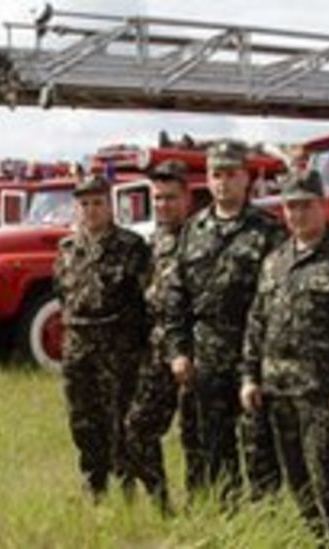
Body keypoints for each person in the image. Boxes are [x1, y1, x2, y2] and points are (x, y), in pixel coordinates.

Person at [240, 170, 329, 548]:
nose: (297, 215)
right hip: (279, 391)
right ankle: (316, 538)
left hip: (324, 394)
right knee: (297, 477)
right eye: (290, 207)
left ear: (322, 205)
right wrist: (249, 376)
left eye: (305, 206)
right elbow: (257, 321)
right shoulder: (275, 261)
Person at [162, 140, 285, 502]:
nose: (223, 182)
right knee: (213, 444)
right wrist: (178, 351)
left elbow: (278, 300)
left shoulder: (269, 230)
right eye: (217, 174)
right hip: (206, 355)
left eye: (232, 174)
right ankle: (224, 518)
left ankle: (267, 521)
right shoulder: (192, 229)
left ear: (246, 178)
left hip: (254, 355)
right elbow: (176, 297)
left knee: (259, 445)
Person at [53, 173, 151, 499]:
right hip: (78, 350)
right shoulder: (67, 249)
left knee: (121, 419)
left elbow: (145, 299)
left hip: (118, 350)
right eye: (84, 204)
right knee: (82, 419)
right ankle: (93, 486)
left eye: (97, 203)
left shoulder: (131, 247)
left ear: (111, 206)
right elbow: (62, 296)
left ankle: (126, 486)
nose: (91, 210)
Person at [124, 160, 197, 511]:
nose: (164, 205)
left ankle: (207, 508)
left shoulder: (202, 238)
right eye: (158, 199)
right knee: (138, 428)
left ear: (187, 198)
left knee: (196, 439)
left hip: (197, 352)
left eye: (170, 197)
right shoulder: (153, 243)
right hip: (158, 352)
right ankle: (162, 505)